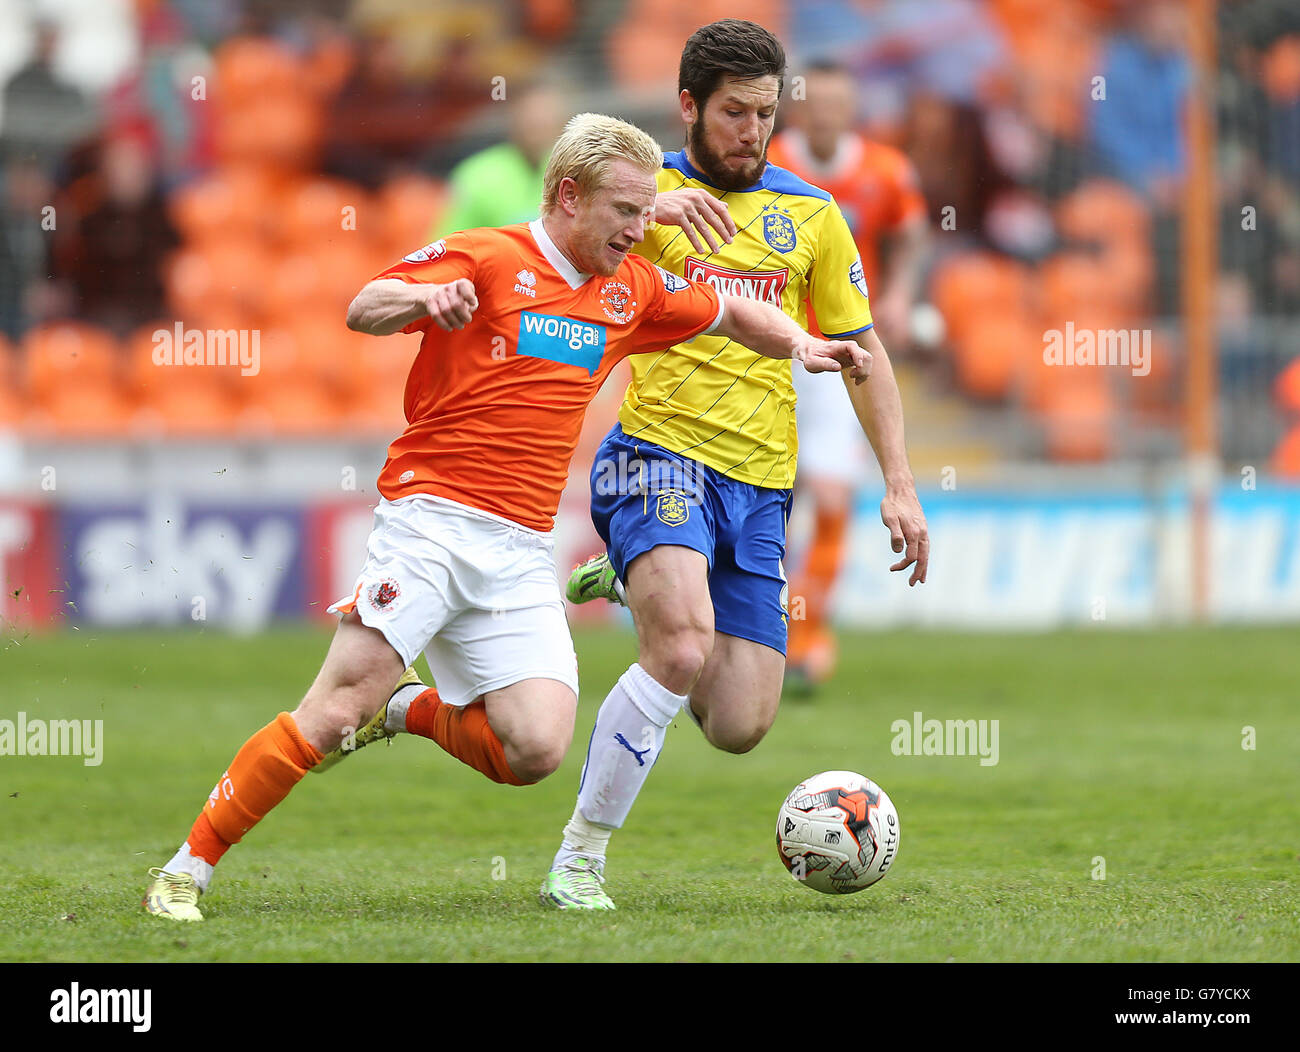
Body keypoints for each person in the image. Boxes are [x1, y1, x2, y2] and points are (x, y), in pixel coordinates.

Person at [141, 111, 871, 922]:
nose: (642, 230)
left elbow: (732, 313)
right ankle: (187, 868)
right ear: (568, 197)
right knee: (336, 706)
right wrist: (427, 296)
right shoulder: (490, 258)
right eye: (627, 213)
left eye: (647, 211)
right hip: (432, 524)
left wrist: (801, 343)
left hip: (522, 548)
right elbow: (363, 303)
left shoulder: (629, 290)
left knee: (534, 748)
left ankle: (411, 710)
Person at [354, 19, 929, 912]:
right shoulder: (640, 191)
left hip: (759, 482)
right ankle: (580, 857)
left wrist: (898, 482)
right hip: (654, 458)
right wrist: (644, 207)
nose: (753, 131)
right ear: (689, 107)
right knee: (683, 644)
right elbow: (554, 216)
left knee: (739, 723)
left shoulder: (813, 215)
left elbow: (862, 350)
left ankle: (632, 584)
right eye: (735, 112)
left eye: (766, 113)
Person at [766, 60, 929, 690]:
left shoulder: (886, 169)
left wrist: (901, 296)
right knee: (775, 501)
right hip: (775, 349)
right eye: (819, 102)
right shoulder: (774, 161)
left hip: (843, 353)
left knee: (832, 498)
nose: (829, 113)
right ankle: (762, 628)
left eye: (841, 102)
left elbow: (913, 235)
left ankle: (808, 637)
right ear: (802, 107)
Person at [433, 82, 566, 235]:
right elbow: (447, 244)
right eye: (532, 123)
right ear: (514, 121)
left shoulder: (572, 172)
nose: (538, 131)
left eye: (546, 123)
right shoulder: (476, 175)